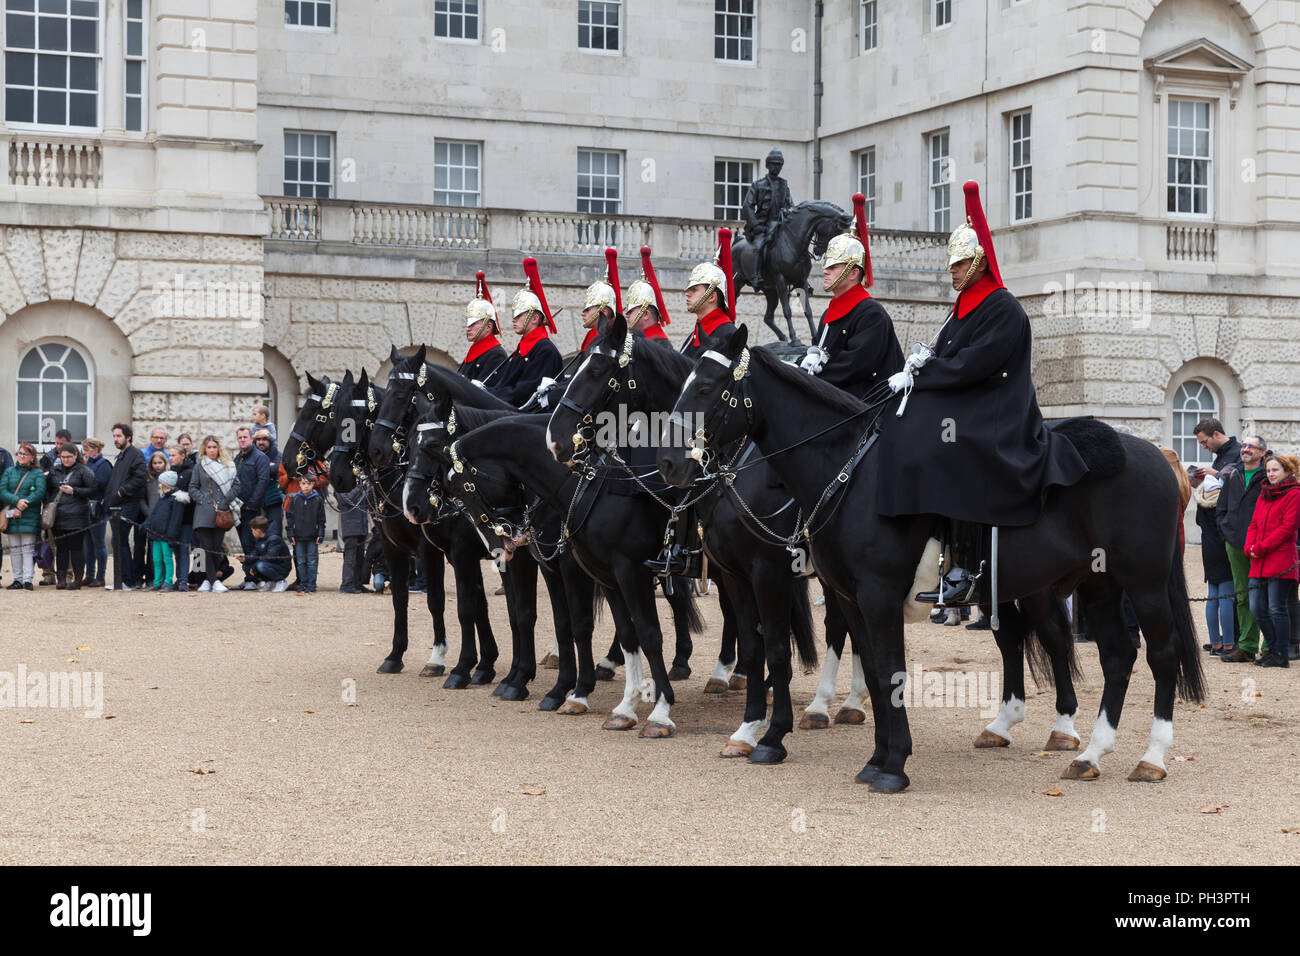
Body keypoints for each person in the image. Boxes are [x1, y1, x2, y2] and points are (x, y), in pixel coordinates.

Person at [877, 181, 1089, 605]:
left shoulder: (1002, 307)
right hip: (968, 402)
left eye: (959, 264)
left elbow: (973, 365)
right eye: (951, 264)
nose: (951, 271)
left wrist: (926, 374)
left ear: (978, 262)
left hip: (998, 411)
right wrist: (916, 367)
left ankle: (965, 566)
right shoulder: (961, 308)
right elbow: (948, 357)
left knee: (953, 449)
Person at [799, 192, 904, 400]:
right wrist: (802, 363)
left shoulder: (871, 314)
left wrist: (809, 380)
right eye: (827, 265)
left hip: (869, 405)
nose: (825, 271)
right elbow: (821, 351)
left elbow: (855, 366)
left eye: (834, 266)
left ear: (854, 272)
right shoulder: (831, 311)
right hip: (839, 397)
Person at [1216, 435, 1269, 662]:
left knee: (1265, 595)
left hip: (1263, 546)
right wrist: (1226, 532)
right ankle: (1247, 646)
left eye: (1251, 446)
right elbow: (1221, 507)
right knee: (1242, 596)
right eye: (1244, 446)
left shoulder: (1269, 476)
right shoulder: (1233, 474)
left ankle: (1270, 646)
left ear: (1262, 453)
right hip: (1235, 543)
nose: (1245, 449)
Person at [1244, 453, 1299, 668]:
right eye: (1268, 470)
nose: (1271, 474)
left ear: (1287, 471)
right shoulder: (1263, 494)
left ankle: (1281, 653)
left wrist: (1261, 547)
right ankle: (1273, 649)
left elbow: (1287, 527)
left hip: (1280, 560)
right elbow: (1254, 524)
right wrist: (1249, 547)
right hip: (1259, 560)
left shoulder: (1294, 494)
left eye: (1275, 470)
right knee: (1257, 607)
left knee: (1277, 608)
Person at [486, 259, 563, 407]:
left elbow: (524, 394)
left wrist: (488, 396)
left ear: (534, 318)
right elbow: (504, 386)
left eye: (519, 315)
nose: (513, 320)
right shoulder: (523, 348)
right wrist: (484, 391)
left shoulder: (545, 351)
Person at [189, 435, 238, 593]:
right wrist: (202, 499)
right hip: (203, 512)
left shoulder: (228, 465)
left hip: (221, 512)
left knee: (216, 547)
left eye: (214, 447)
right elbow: (193, 488)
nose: (211, 450)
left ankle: (208, 581)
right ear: (205, 449)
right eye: (209, 447)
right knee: (206, 547)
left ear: (218, 448)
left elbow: (237, 486)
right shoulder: (200, 466)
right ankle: (213, 581)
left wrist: (225, 500)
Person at [101, 423, 147, 591]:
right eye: (114, 436)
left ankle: (128, 581)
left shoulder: (136, 455)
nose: (115, 439)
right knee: (118, 541)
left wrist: (121, 492)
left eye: (119, 436)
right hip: (116, 506)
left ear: (128, 437)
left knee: (119, 541)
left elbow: (140, 478)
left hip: (129, 504)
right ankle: (123, 580)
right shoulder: (120, 456)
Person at [681, 228, 736, 361]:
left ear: (711, 296)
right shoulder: (697, 332)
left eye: (694, 290)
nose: (687, 294)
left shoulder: (728, 334)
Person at [742, 147, 794, 290]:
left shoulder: (784, 185)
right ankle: (756, 275)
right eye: (773, 164)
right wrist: (755, 225)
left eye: (779, 165)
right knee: (758, 247)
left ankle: (799, 277)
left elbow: (791, 205)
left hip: (779, 226)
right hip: (762, 226)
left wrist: (789, 212)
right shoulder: (758, 185)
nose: (776, 167)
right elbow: (747, 206)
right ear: (767, 165)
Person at [48, 442, 97, 589]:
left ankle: (77, 580)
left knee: (76, 549)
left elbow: (93, 489)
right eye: (63, 457)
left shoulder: (84, 471)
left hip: (78, 516)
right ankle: (61, 579)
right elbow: (48, 491)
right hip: (59, 515)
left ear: (76, 455)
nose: (66, 460)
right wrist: (50, 503)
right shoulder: (54, 471)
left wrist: (74, 491)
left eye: (69, 456)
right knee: (61, 549)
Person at [1, 443, 47, 590]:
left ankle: (28, 579)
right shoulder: (9, 471)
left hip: (29, 514)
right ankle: (17, 579)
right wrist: (16, 501)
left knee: (27, 549)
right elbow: (2, 490)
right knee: (14, 549)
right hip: (12, 513)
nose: (21, 456)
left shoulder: (38, 473)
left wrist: (25, 503)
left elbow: (40, 492)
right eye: (20, 453)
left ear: (32, 457)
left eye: (25, 454)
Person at [232, 425, 270, 588]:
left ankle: (256, 579)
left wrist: (252, 504)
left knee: (254, 546)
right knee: (246, 545)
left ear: (251, 438)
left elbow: (263, 481)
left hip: (252, 510)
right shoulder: (237, 458)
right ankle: (249, 577)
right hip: (238, 509)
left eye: (245, 437)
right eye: (239, 437)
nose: (242, 440)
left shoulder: (260, 458)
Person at [458, 270, 508, 382]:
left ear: (488, 327)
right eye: (468, 323)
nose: (468, 328)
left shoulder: (496, 354)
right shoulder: (475, 351)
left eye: (473, 323)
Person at [141, 470, 184, 591]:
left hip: (166, 536)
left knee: (167, 559)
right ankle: (157, 582)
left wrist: (171, 536)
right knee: (156, 559)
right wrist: (146, 524)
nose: (158, 485)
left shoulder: (175, 499)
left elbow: (175, 519)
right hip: (156, 535)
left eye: (160, 483)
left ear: (166, 484)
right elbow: (154, 515)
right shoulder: (162, 498)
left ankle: (168, 582)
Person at [81, 438, 112, 588]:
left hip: (98, 509)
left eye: (86, 450)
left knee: (99, 543)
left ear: (94, 449)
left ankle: (100, 576)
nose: (84, 453)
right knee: (88, 544)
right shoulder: (88, 464)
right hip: (86, 509)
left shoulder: (103, 465)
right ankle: (90, 575)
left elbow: (102, 486)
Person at [625, 247, 672, 344]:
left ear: (646, 314)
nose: (627, 315)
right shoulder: (636, 340)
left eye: (631, 311)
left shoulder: (658, 344)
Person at [286, 475, 325, 594]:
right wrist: (290, 534)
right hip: (298, 536)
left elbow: (321, 520)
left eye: (309, 484)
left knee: (312, 562)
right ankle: (303, 584)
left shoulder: (318, 500)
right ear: (300, 485)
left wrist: (321, 533)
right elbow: (290, 518)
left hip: (312, 536)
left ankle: (311, 585)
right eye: (303, 483)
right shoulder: (296, 499)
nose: (306, 486)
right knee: (301, 562)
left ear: (313, 485)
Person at [237, 514, 292, 592]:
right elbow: (255, 553)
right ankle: (269, 582)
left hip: (281, 568)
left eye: (252, 530)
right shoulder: (259, 538)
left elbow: (271, 557)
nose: (252, 532)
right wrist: (244, 559)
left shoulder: (274, 539)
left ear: (258, 530)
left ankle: (281, 581)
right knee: (246, 566)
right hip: (268, 564)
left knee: (260, 566)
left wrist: (255, 567)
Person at [168, 444, 195, 588]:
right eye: (170, 455)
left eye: (173, 455)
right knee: (176, 550)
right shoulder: (171, 471)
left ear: (183, 456)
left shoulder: (190, 472)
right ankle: (179, 578)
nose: (170, 458)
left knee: (183, 548)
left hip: (186, 517)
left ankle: (183, 579)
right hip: (173, 517)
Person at [337, 484, 372, 593]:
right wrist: (360, 487)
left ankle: (357, 583)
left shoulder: (359, 485)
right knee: (350, 558)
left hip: (361, 525)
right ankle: (346, 584)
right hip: (350, 526)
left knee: (360, 558)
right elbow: (347, 499)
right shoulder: (341, 486)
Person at [254, 429, 284, 541]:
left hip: (273, 499)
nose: (261, 442)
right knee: (257, 536)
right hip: (255, 501)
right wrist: (268, 466)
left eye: (264, 439)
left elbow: (278, 468)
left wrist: (260, 467)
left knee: (274, 535)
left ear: (270, 441)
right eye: (258, 439)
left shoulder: (277, 454)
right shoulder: (251, 454)